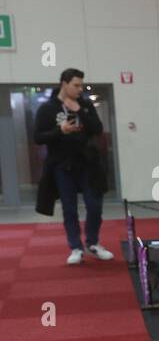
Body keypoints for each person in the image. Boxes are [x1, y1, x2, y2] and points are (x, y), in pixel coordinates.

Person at [34, 68, 111, 264]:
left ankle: (93, 242)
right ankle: (76, 247)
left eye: (81, 85)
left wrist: (80, 112)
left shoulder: (85, 104)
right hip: (62, 166)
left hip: (88, 164)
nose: (79, 89)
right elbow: (38, 137)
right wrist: (60, 131)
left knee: (94, 206)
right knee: (69, 209)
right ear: (64, 84)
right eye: (76, 85)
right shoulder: (48, 109)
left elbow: (97, 129)